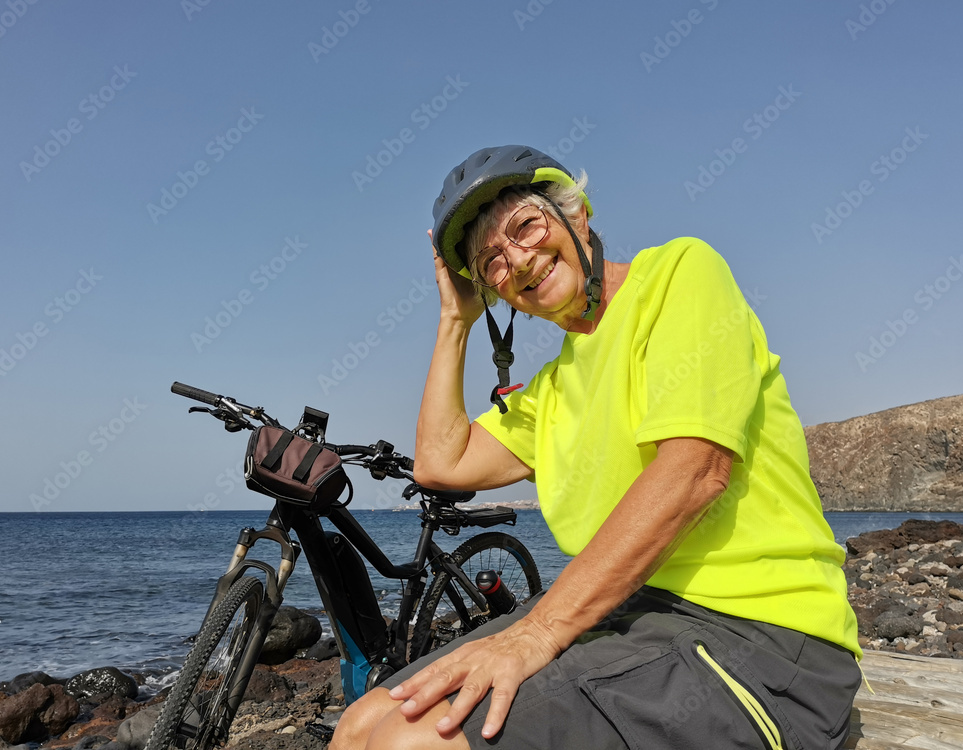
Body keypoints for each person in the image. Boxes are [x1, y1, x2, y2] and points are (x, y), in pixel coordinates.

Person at [331, 145, 862, 750]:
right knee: (361, 723)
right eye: (491, 263)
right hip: (631, 611)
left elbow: (695, 471)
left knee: (412, 742)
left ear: (576, 214)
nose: (518, 260)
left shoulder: (680, 274)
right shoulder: (553, 387)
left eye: (526, 226)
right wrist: (455, 320)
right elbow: (439, 463)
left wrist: (536, 633)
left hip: (761, 639)